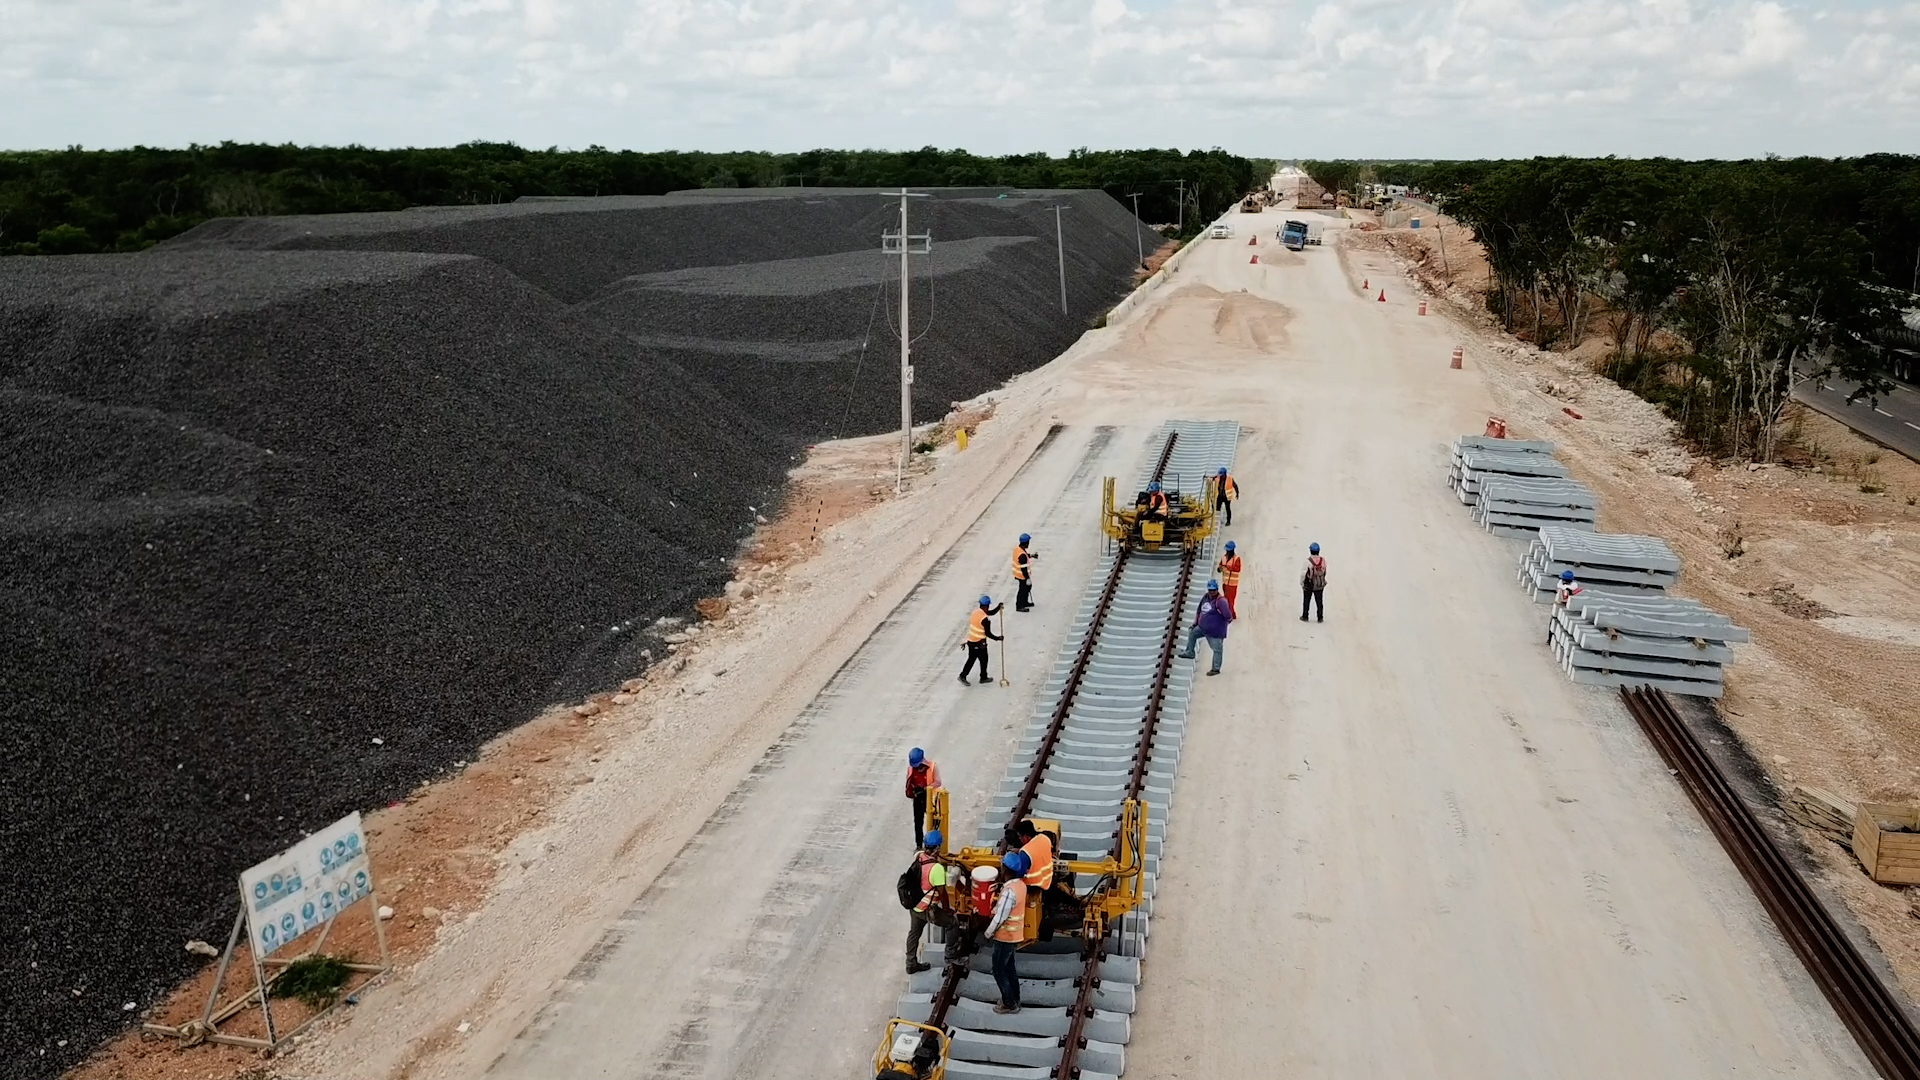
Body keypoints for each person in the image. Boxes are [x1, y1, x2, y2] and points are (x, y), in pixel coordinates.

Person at [985, 851, 1030, 1014]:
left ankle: (1009, 1003)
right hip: (1014, 936)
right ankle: (1015, 998)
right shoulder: (1021, 885)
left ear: (1006, 870)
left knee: (998, 969)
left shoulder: (1009, 891)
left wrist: (988, 933)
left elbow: (1000, 917)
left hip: (1004, 937)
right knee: (1009, 968)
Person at [904, 830, 951, 974]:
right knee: (952, 924)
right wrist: (948, 909)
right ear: (937, 848)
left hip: (915, 906)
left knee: (914, 934)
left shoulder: (918, 858)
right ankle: (951, 957)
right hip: (928, 909)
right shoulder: (936, 868)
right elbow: (942, 892)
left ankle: (910, 963)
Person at [1178, 579, 1235, 675]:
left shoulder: (1221, 601)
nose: (1211, 592)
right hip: (1202, 627)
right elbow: (1199, 610)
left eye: (1213, 590)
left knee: (1217, 649)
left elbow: (1228, 616)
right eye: (1210, 590)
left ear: (1217, 589)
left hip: (1215, 632)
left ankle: (1215, 669)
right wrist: (1195, 623)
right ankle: (1190, 652)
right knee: (1192, 633)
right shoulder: (1205, 597)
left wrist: (1221, 624)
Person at [959, 596, 1004, 685]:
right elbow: (988, 634)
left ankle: (982, 676)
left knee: (981, 659)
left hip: (971, 641)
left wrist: (998, 608)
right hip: (979, 643)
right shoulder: (985, 620)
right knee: (977, 660)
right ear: (987, 606)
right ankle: (964, 676)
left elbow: (989, 612)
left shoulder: (976, 612)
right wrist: (998, 638)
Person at [905, 748, 942, 847]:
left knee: (935, 821)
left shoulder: (932, 767)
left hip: (930, 797)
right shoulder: (911, 769)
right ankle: (919, 845)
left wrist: (926, 788)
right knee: (918, 822)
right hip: (918, 797)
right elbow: (909, 781)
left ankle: (934, 843)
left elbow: (938, 782)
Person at [1014, 819, 1054, 892]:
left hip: (1033, 886)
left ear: (1026, 836)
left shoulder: (1025, 852)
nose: (1019, 839)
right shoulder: (1045, 838)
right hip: (1047, 880)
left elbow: (1020, 874)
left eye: (1020, 837)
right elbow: (1037, 852)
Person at [1549, 569, 1582, 644]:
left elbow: (1573, 589)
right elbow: (1560, 587)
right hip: (1558, 604)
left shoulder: (1574, 586)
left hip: (1567, 607)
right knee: (1553, 621)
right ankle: (1549, 638)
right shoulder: (1560, 584)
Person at [1300, 543, 1328, 623]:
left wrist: (1302, 583)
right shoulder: (1323, 560)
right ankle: (1320, 617)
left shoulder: (1308, 561)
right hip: (1319, 583)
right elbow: (1324, 571)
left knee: (1306, 600)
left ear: (1310, 551)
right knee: (1319, 601)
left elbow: (1303, 574)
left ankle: (1305, 616)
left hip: (1309, 584)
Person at [1011, 534, 1039, 612]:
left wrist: (1032, 555)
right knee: (1022, 590)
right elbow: (1024, 569)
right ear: (1026, 543)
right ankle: (1019, 606)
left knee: (1027, 588)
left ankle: (1025, 602)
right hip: (1022, 575)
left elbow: (1025, 555)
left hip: (1019, 575)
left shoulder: (1018, 549)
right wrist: (1027, 578)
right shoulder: (1022, 555)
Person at [1215, 540, 1243, 610]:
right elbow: (1220, 566)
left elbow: (1237, 569)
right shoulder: (1224, 557)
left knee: (1230, 601)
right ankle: (1228, 614)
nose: (1227, 552)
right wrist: (1220, 569)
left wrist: (1228, 567)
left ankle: (1230, 615)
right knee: (1226, 600)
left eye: (1228, 551)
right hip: (1225, 583)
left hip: (1232, 584)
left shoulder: (1237, 559)